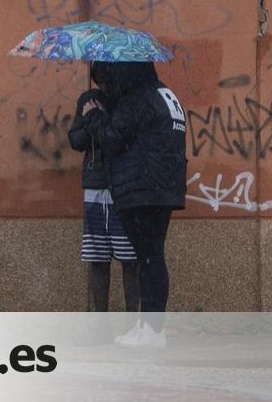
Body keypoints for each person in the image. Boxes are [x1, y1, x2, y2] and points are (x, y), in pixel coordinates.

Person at [82, 61, 187, 348]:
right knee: (150, 257)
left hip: (143, 187)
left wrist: (93, 116)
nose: (106, 88)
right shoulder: (164, 94)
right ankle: (147, 326)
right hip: (163, 185)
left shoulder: (137, 98)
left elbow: (113, 138)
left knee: (149, 258)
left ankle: (152, 331)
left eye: (107, 81)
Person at [68, 66, 140, 313]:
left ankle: (133, 320)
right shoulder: (88, 100)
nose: (106, 84)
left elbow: (121, 137)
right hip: (96, 186)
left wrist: (99, 118)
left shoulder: (130, 101)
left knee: (131, 259)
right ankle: (100, 321)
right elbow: (75, 140)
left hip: (125, 187)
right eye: (101, 80)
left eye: (109, 79)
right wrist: (91, 120)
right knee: (97, 258)